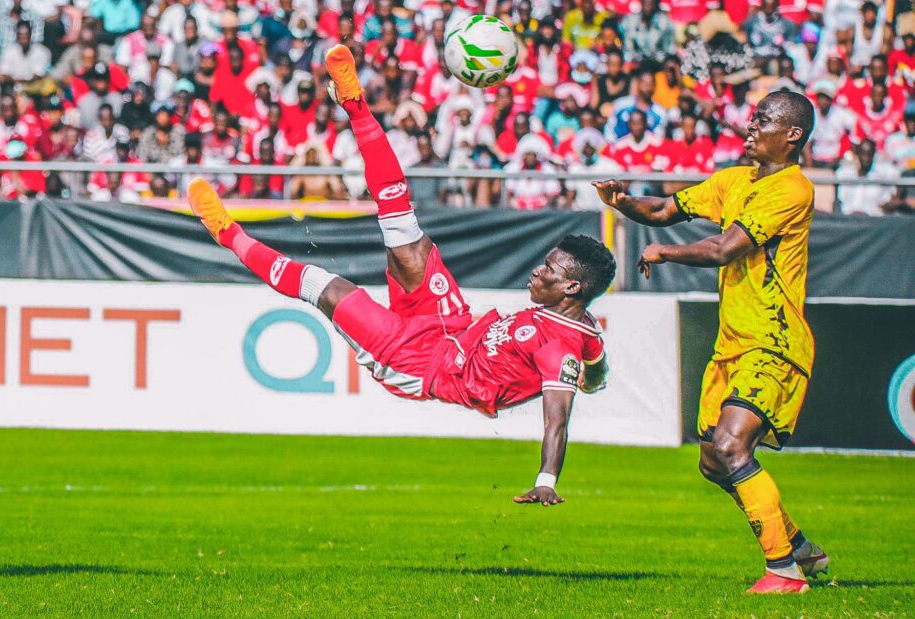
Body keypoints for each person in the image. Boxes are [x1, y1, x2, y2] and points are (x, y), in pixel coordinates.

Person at [187, 45, 615, 504]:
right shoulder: (582, 337)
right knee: (402, 222)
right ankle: (353, 102)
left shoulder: (559, 349)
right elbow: (595, 361)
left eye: (549, 268)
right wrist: (596, 375)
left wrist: (546, 482)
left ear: (573, 286)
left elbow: (556, 419)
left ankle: (227, 233)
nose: (537, 270)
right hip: (453, 323)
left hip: (421, 365)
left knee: (323, 286)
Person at [593, 90, 828, 594]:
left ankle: (783, 570)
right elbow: (666, 209)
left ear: (791, 135)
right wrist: (623, 201)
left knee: (730, 443)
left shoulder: (792, 190)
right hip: (732, 344)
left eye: (763, 119)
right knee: (711, 460)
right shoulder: (733, 181)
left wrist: (665, 254)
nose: (750, 125)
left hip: (773, 340)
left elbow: (726, 248)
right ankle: (801, 547)